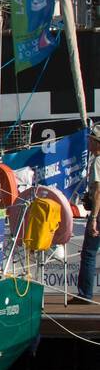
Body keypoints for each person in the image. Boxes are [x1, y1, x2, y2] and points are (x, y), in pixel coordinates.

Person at [76, 126, 100, 300]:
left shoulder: (98, 162)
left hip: (99, 214)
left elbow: (98, 192)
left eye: (91, 140)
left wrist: (93, 218)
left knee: (89, 253)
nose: (88, 142)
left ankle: (85, 294)